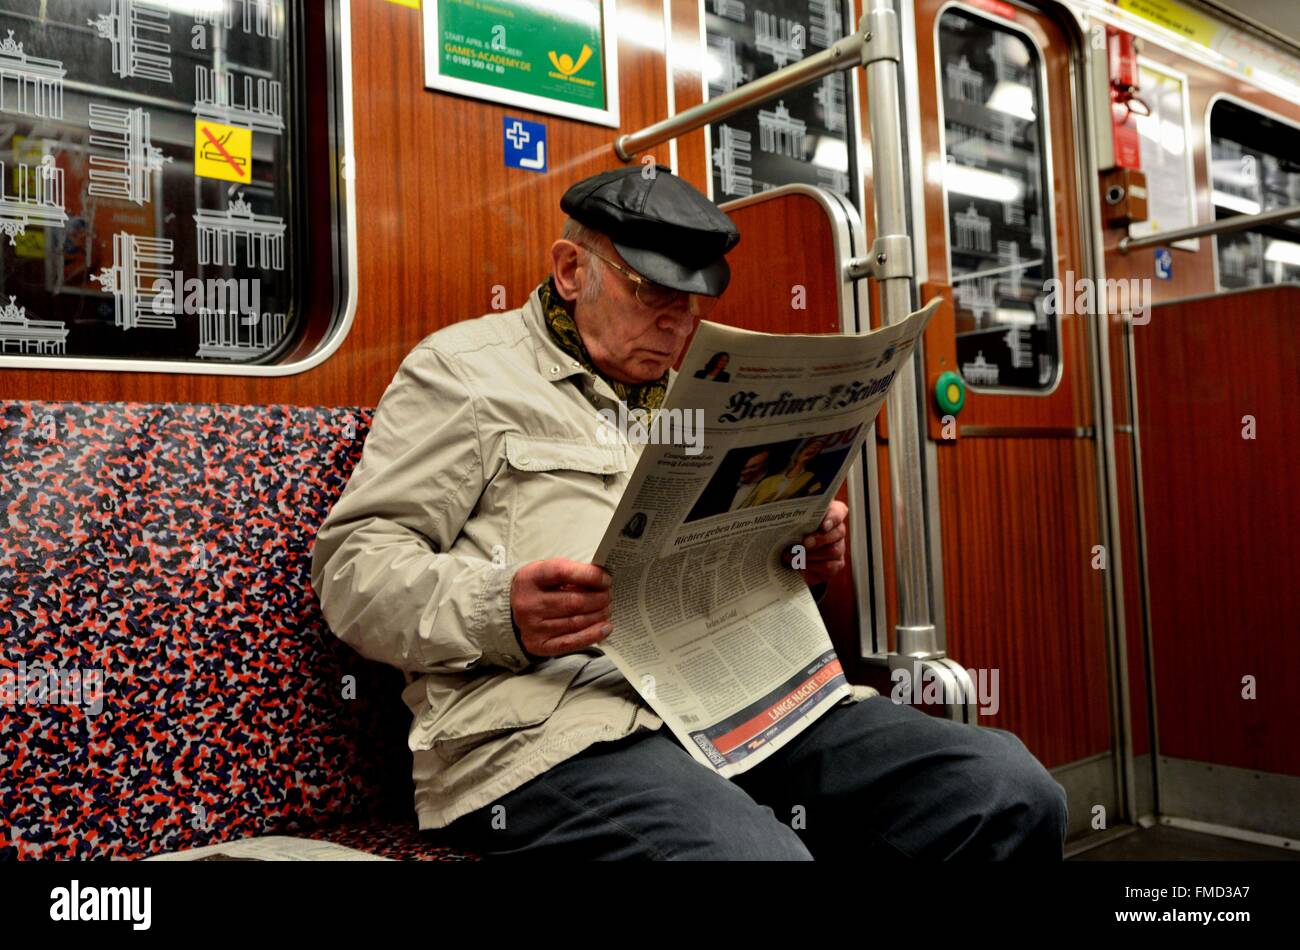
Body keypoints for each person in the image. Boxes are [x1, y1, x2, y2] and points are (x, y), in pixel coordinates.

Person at [310, 164, 1067, 860]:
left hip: (740, 704)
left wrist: (797, 556)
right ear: (572, 270)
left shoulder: (698, 396)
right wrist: (498, 610)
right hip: (558, 729)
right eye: (651, 292)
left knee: (1003, 788)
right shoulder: (465, 374)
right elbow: (354, 570)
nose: (678, 324)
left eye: (694, 301)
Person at [739, 437, 828, 509]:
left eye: (817, 448)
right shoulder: (769, 480)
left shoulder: (812, 480)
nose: (813, 449)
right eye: (811, 446)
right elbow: (746, 504)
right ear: (801, 451)